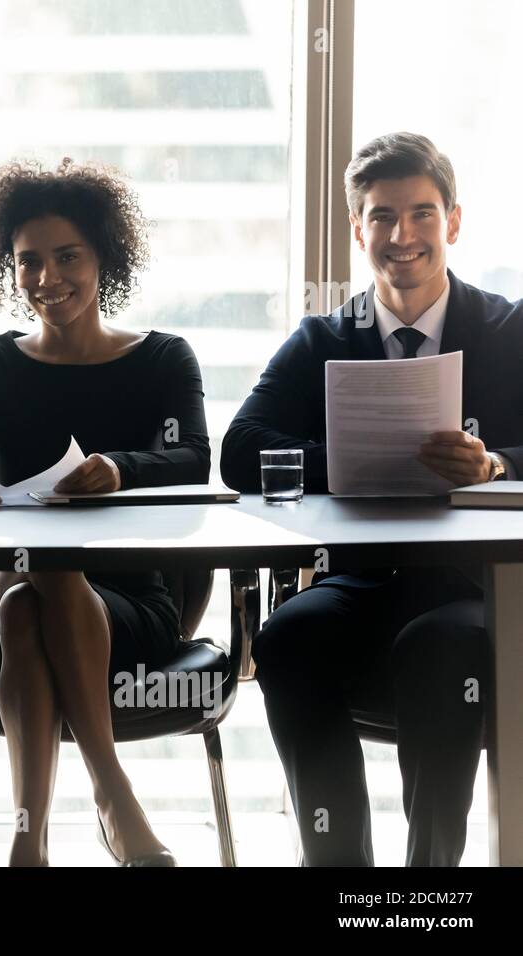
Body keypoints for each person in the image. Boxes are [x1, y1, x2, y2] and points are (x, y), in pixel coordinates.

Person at [221, 132, 523, 865]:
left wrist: (492, 464)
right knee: (288, 638)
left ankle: (430, 881)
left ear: (452, 222)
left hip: (473, 588)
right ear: (358, 229)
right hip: (359, 579)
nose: (402, 235)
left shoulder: (509, 330)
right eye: (382, 216)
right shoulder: (323, 336)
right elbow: (238, 450)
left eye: (421, 213)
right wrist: (344, 463)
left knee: (441, 646)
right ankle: (339, 868)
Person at [0, 158, 210, 866]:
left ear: (105, 255)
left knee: (29, 599)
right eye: (29, 262)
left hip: (130, 603)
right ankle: (114, 799)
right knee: (31, 573)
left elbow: (196, 459)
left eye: (67, 256)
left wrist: (121, 468)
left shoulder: (165, 359)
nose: (48, 279)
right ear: (8, 268)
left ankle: (28, 839)